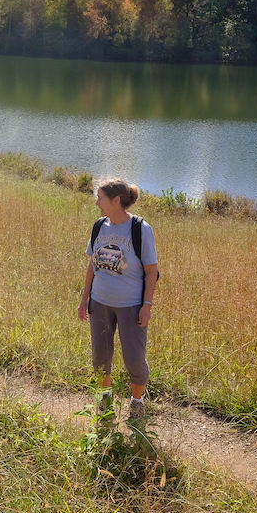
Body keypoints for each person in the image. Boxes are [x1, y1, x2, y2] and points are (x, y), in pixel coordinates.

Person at [77, 178, 158, 422]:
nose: (96, 202)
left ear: (116, 201)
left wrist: (147, 306)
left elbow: (152, 270)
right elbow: (92, 264)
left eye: (100, 198)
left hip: (130, 306)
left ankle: (136, 403)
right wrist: (84, 299)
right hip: (100, 302)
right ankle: (105, 399)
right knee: (100, 356)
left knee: (134, 358)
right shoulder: (100, 226)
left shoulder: (141, 229)